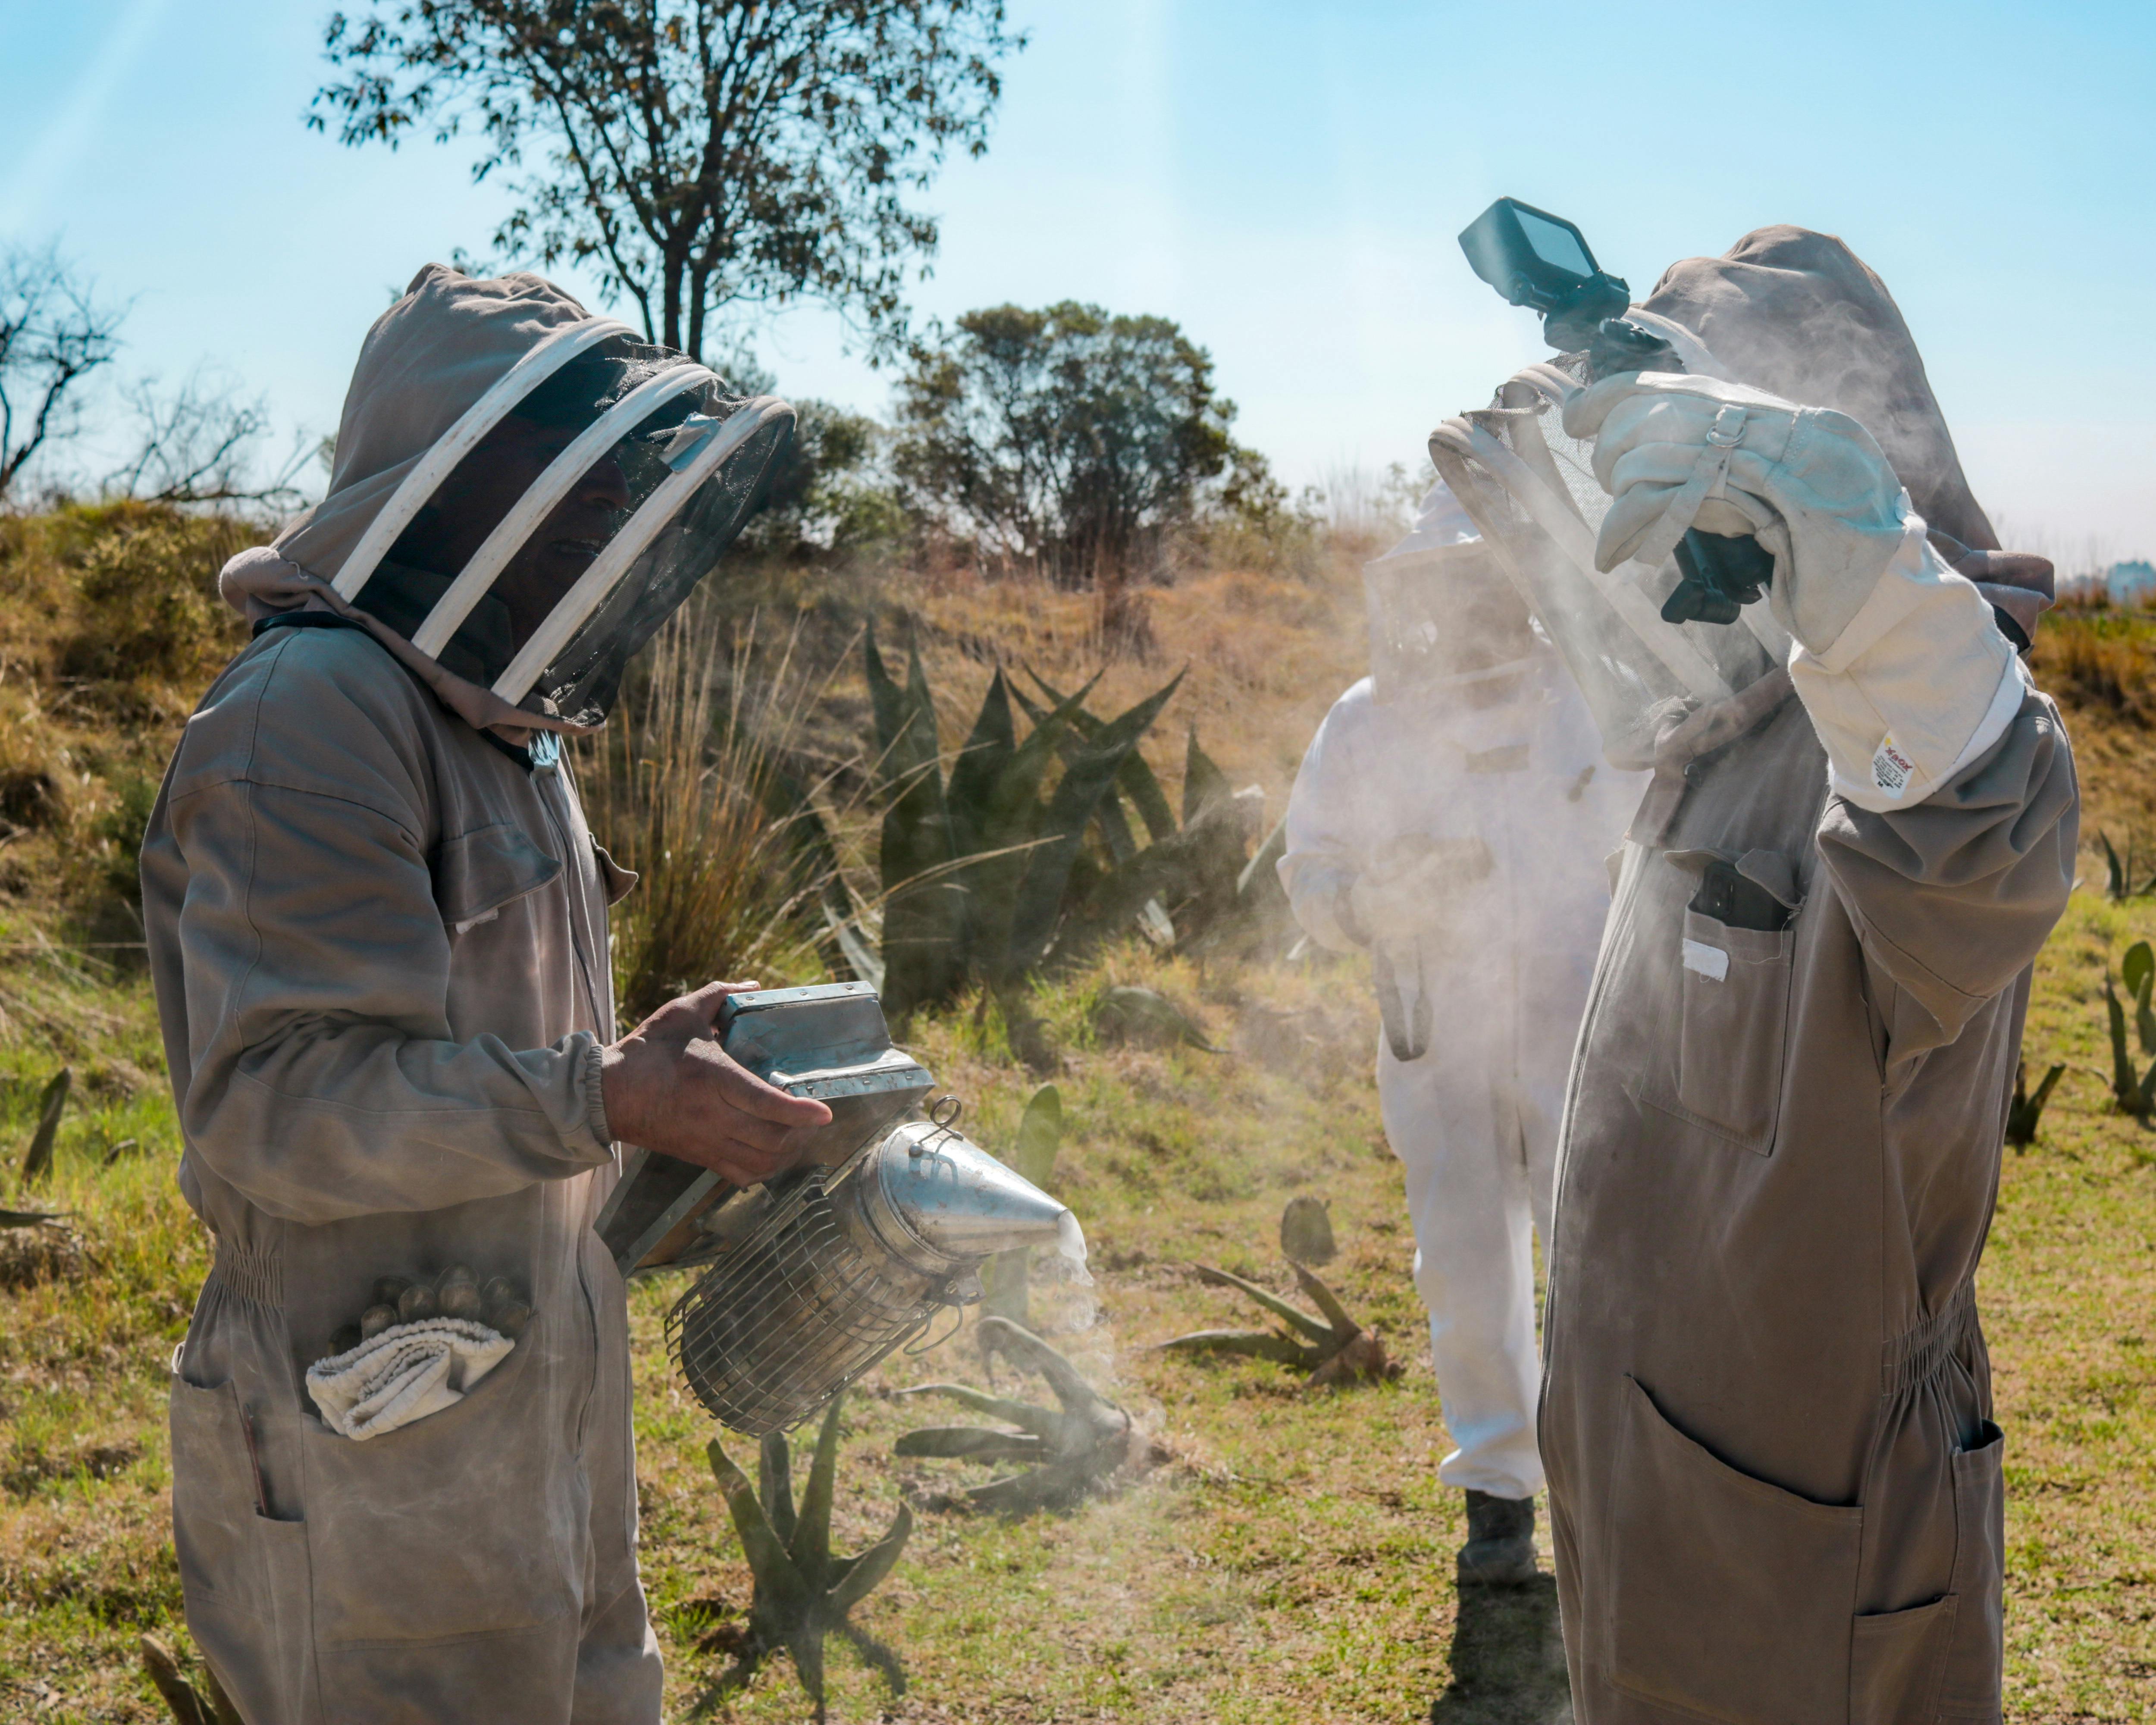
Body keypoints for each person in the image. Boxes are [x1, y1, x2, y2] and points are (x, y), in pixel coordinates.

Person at [141, 265, 827, 1724]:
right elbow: (284, 1107)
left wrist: (641, 1074)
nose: (598, 500)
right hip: (356, 1422)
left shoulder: (503, 728)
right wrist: (604, 1096)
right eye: (557, 453)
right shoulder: (311, 716)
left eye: (610, 457)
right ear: (442, 476)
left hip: (527, 1381)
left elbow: (502, 1065)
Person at [1430, 228, 2074, 1722]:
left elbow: (1988, 831)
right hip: (1649, 1493)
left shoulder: (1919, 718)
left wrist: (1857, 554)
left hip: (1813, 1549)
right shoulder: (1725, 739)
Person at [1278, 480, 1645, 1584]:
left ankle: (1614, 1495)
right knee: (1466, 1270)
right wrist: (1371, 901)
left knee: (1604, 1264)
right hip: (1438, 1036)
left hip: (1581, 1026)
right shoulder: (1363, 720)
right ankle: (1497, 1497)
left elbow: (1658, 836)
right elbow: (1310, 871)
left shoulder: (1588, 695)